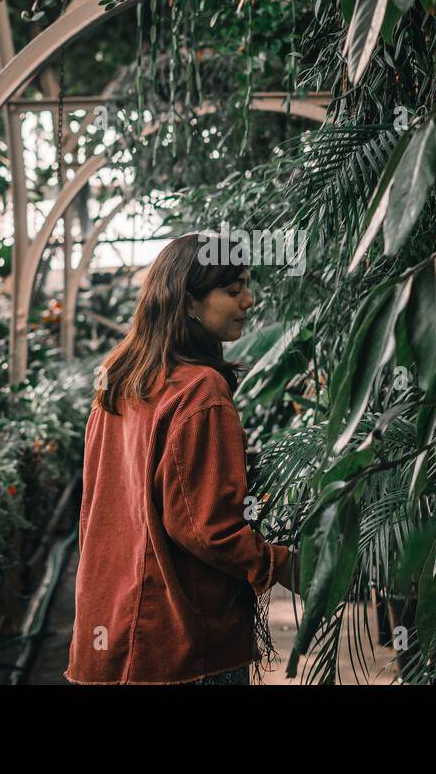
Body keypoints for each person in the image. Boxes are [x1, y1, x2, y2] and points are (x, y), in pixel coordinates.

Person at [65, 233, 299, 685]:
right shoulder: (200, 391)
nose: (249, 301)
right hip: (182, 643)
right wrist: (284, 564)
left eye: (247, 285)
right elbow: (207, 528)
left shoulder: (119, 382)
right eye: (233, 290)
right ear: (188, 301)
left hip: (109, 632)